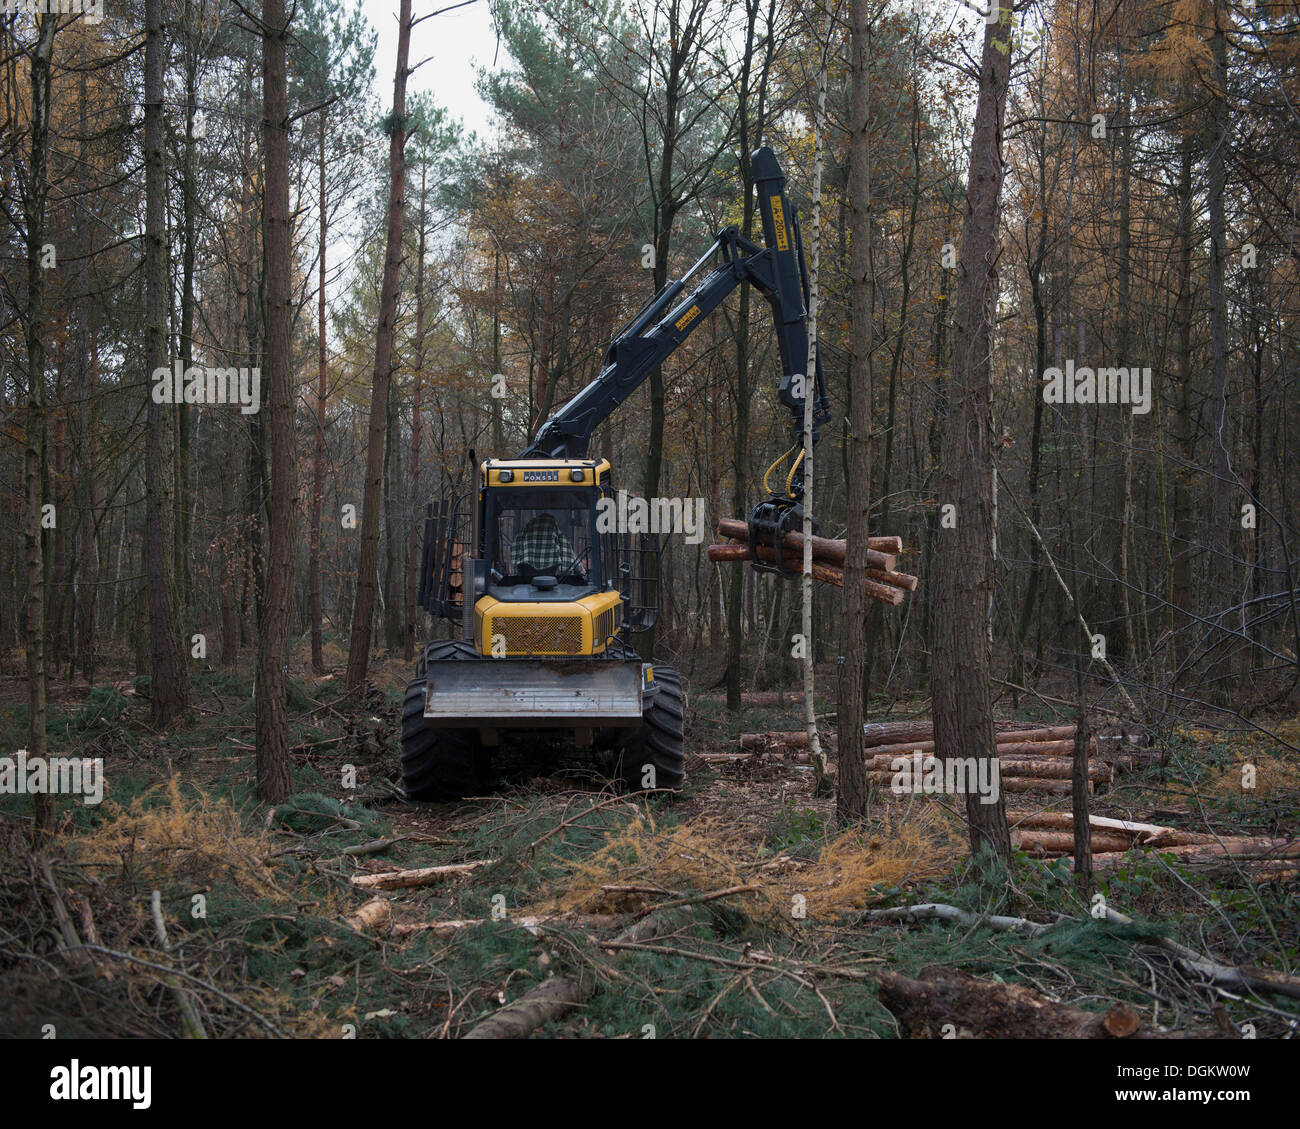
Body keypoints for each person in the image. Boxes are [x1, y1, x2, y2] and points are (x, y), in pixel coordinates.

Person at [511, 512, 580, 578]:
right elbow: (580, 570)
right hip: (560, 585)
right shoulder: (563, 545)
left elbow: (514, 572)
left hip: (522, 586)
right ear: (555, 530)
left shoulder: (520, 545)